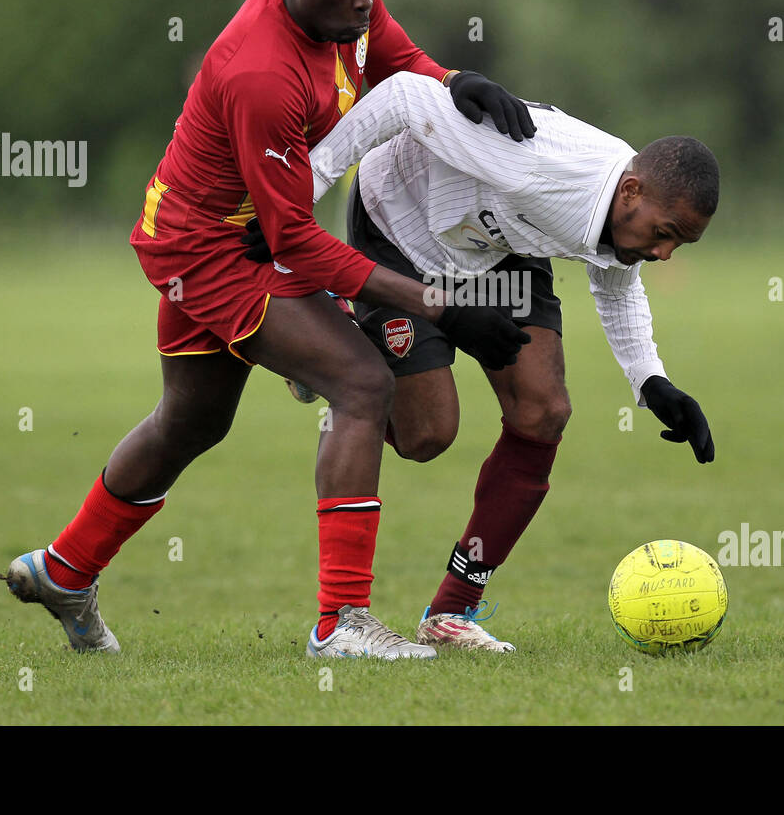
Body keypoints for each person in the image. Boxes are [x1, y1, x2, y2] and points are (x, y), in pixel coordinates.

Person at [0, 0, 534, 661]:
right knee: (361, 383)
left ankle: (64, 569)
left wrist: (451, 80)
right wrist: (441, 308)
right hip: (208, 248)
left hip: (229, 236)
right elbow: (298, 243)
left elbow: (391, 54)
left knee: (191, 421)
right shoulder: (262, 72)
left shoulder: (341, 5)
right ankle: (340, 624)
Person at [250, 70, 719, 652]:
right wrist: (290, 203)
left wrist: (652, 383)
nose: (665, 253)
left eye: (679, 244)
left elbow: (616, 282)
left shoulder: (629, 207)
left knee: (543, 411)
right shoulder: (538, 168)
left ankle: (451, 615)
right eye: (665, 234)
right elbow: (400, 96)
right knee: (427, 435)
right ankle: (331, 343)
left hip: (498, 251)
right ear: (630, 192)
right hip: (404, 231)